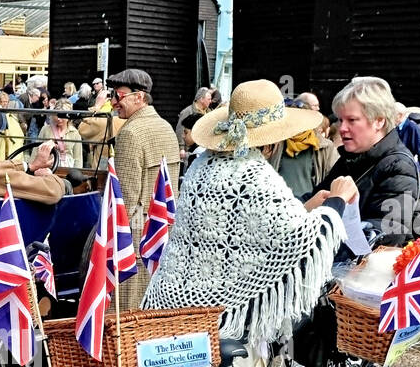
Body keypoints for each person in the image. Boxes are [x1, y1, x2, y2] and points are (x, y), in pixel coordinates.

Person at [142, 78, 356, 343]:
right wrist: (337, 201)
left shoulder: (202, 165)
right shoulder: (255, 175)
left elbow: (251, 227)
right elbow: (306, 241)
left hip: (171, 301)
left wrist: (306, 208)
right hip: (220, 323)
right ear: (270, 143)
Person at [310, 75, 420, 245]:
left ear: (379, 121)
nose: (342, 128)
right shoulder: (352, 158)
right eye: (340, 120)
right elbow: (317, 195)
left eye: (352, 120)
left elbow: (390, 230)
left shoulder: (398, 165)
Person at [108, 68, 180, 303]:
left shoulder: (130, 133)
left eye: (118, 96)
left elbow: (124, 203)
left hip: (137, 241)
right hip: (163, 235)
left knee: (128, 320)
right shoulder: (166, 127)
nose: (113, 102)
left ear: (139, 97)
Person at [176, 86, 213, 154]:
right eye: (209, 99)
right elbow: (180, 130)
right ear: (201, 99)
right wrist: (181, 148)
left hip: (205, 148)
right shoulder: (187, 112)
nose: (211, 101)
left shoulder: (209, 112)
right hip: (190, 150)